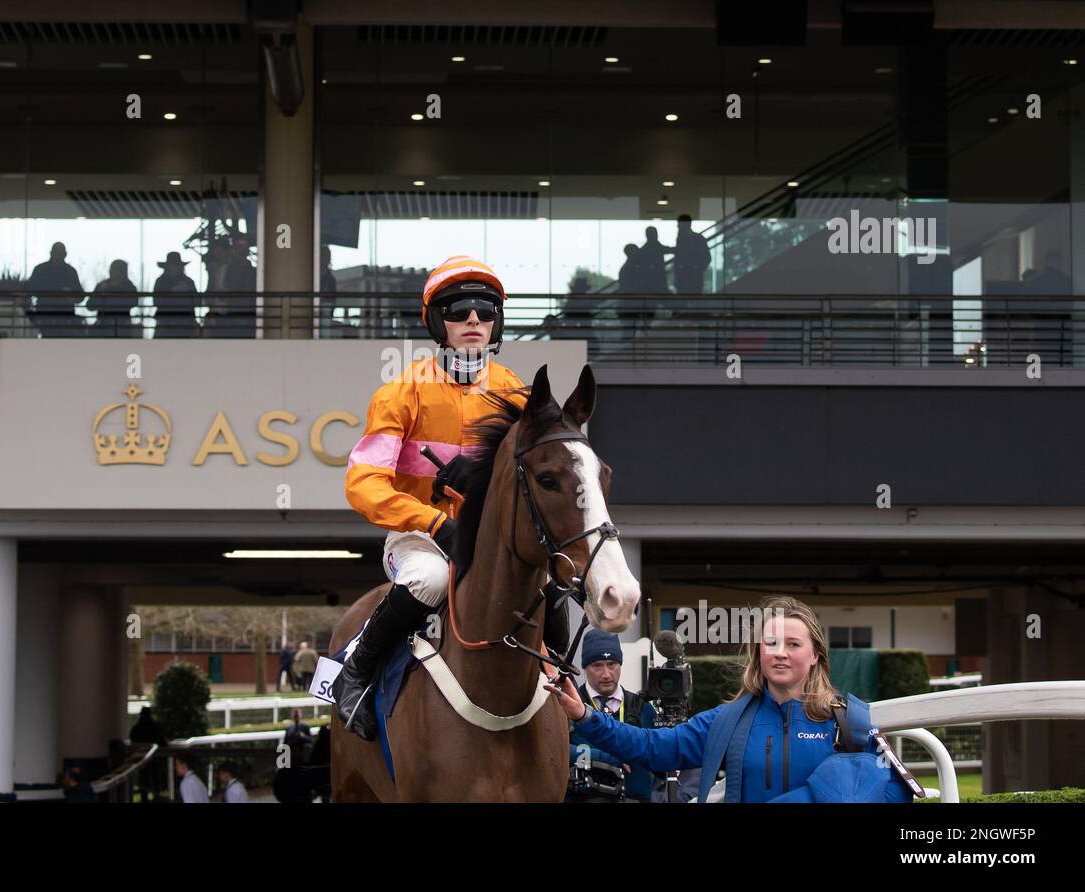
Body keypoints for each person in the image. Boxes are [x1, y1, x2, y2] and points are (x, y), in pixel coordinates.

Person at [332, 255, 569, 741]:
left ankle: (564, 677)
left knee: (551, 580)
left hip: (490, 540)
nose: (474, 322)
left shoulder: (517, 397)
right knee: (432, 577)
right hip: (421, 539)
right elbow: (363, 482)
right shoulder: (400, 393)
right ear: (439, 322)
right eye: (460, 311)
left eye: (485, 312)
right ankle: (356, 669)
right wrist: (433, 522)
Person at [547, 596, 915, 803]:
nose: (781, 653)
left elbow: (897, 791)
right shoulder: (727, 721)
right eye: (771, 643)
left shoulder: (847, 720)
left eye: (793, 644)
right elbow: (652, 747)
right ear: (759, 653)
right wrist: (585, 716)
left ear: (815, 654)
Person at [567, 631, 699, 803]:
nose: (606, 674)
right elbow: (558, 751)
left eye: (612, 664)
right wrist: (608, 758)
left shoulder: (641, 707)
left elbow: (662, 756)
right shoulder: (570, 704)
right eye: (597, 665)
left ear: (620, 664)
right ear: (584, 667)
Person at [26, 241, 86, 337]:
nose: (58, 255)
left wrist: (70, 297)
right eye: (56, 253)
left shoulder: (70, 271)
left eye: (60, 253)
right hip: (44, 315)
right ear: (51, 253)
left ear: (65, 254)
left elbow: (80, 296)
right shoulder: (40, 269)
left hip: (65, 317)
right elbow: (28, 289)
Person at [86, 259, 140, 337]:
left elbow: (133, 302)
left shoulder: (129, 287)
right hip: (103, 327)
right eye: (111, 268)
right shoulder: (101, 286)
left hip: (122, 327)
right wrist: (100, 295)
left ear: (122, 271)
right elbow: (89, 305)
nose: (111, 271)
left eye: (115, 269)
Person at [152, 251, 200, 338]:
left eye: (176, 265)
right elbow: (156, 301)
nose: (174, 267)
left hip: (185, 324)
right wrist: (172, 292)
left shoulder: (189, 282)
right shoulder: (160, 282)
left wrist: (187, 292)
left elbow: (198, 301)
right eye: (171, 265)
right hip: (165, 323)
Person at [673, 214, 711, 296]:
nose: (678, 226)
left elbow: (707, 257)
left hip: (693, 279)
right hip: (683, 279)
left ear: (686, 224)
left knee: (693, 302)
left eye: (679, 223)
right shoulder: (680, 239)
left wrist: (697, 269)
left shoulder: (698, 239)